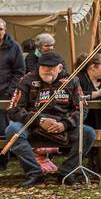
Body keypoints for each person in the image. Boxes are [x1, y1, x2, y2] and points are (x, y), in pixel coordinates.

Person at [4, 52, 95, 187]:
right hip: (33, 124)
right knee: (12, 130)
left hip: (62, 124)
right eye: (43, 66)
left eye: (51, 67)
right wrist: (39, 120)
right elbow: (14, 109)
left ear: (59, 68)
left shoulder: (72, 81)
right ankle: (35, 173)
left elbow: (82, 109)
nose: (46, 70)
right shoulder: (26, 81)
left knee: (88, 133)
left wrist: (65, 124)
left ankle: (66, 172)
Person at [0, 18, 25, 105]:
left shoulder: (14, 47)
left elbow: (19, 71)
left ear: (5, 30)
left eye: (0, 29)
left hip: (5, 92)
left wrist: (10, 91)